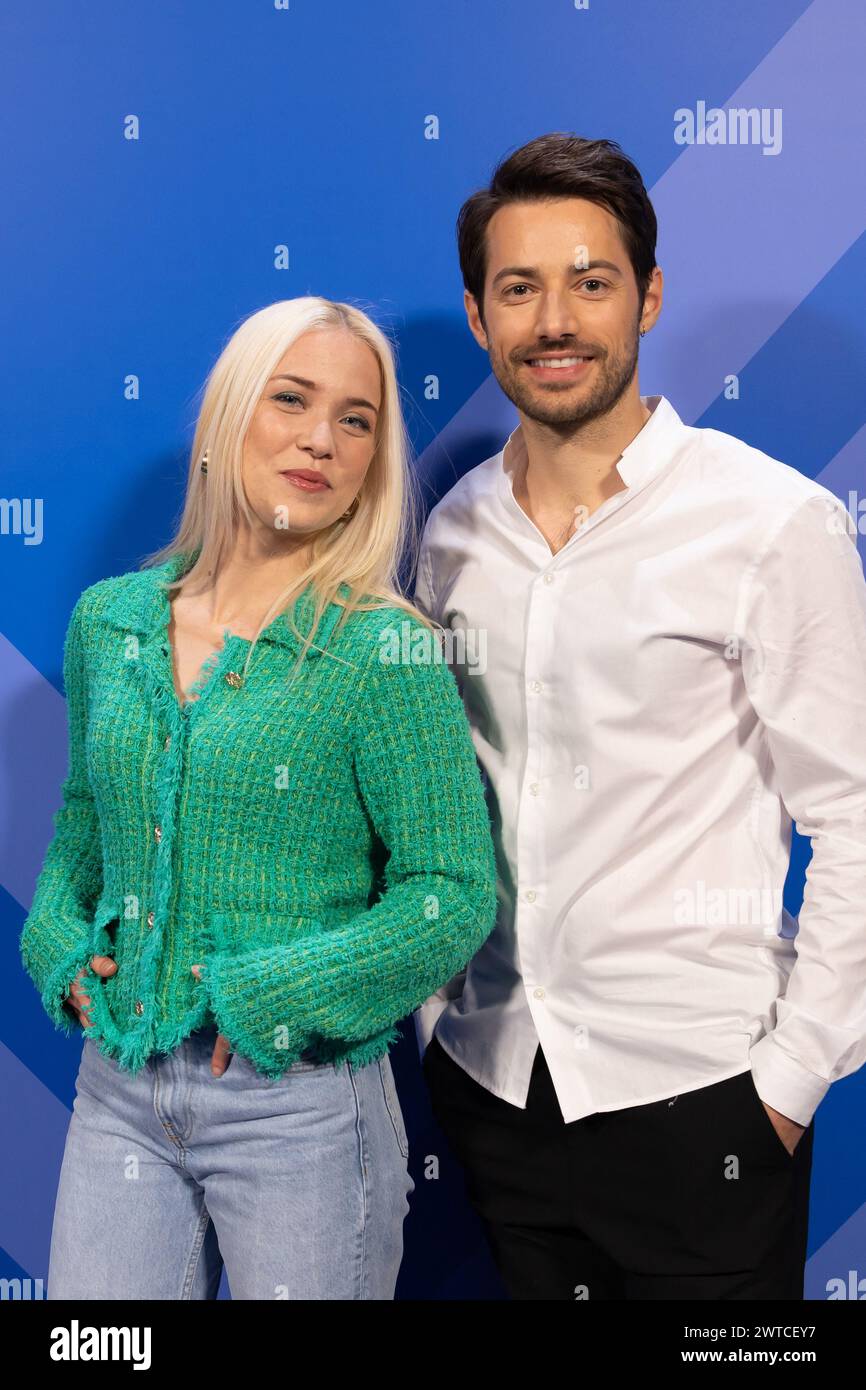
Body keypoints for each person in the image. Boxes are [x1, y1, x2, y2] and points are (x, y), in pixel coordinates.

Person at [414, 132, 866, 1300]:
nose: (553, 318)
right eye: (518, 288)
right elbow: (427, 797)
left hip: (702, 1105)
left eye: (590, 281)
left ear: (649, 296)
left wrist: (787, 1082)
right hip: (496, 1091)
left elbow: (856, 814)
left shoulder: (772, 523)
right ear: (477, 316)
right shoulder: (449, 533)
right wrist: (428, 1021)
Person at [20, 295, 498, 1300]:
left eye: (356, 419)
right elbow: (81, 825)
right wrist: (58, 941)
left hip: (300, 1106)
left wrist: (277, 993)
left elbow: (450, 890)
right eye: (291, 400)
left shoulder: (381, 648)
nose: (321, 440)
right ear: (227, 418)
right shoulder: (110, 622)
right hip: (118, 1089)